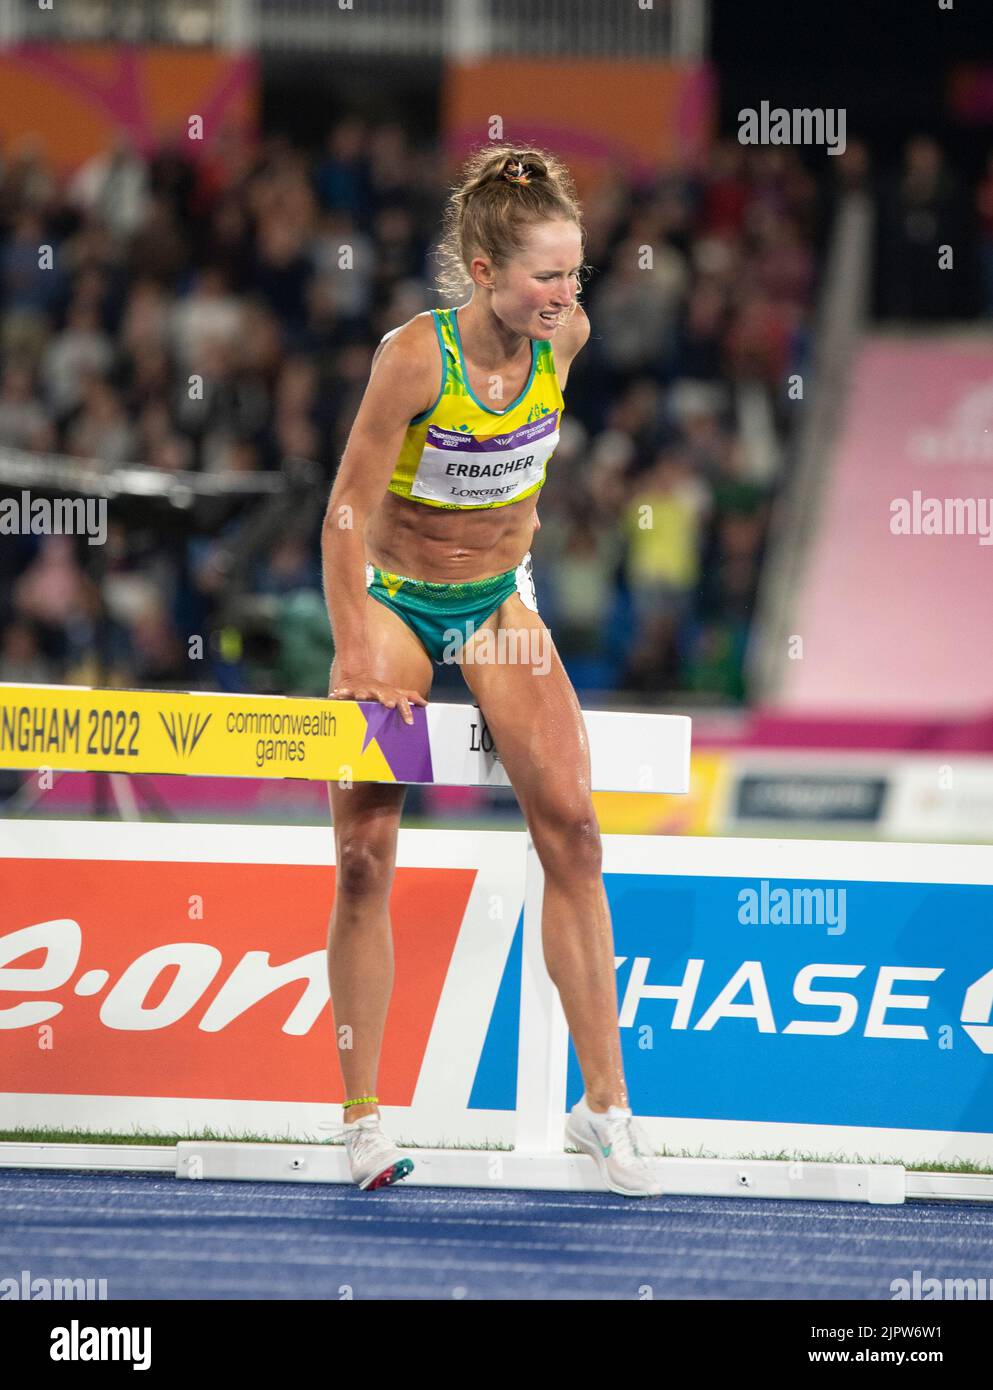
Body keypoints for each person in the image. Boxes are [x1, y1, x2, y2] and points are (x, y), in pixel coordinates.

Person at [320, 145, 663, 1197]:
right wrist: (352, 644)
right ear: (482, 273)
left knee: (575, 826)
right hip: (392, 598)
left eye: (575, 275)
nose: (565, 296)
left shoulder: (571, 341)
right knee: (368, 851)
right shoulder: (414, 361)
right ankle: (363, 1120)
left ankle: (604, 1109)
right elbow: (341, 509)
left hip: (495, 607)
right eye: (545, 277)